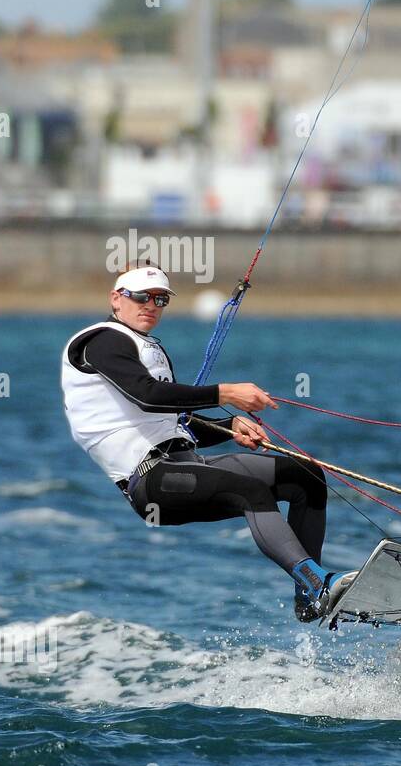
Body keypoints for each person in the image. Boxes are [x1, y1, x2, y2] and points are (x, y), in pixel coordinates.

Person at [60, 263, 354, 621]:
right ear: (115, 299)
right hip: (152, 482)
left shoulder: (144, 346)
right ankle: (316, 581)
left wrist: (230, 426)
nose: (150, 305)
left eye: (160, 299)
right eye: (141, 297)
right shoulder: (102, 340)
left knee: (305, 477)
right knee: (249, 490)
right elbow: (148, 396)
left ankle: (310, 599)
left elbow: (172, 427)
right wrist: (227, 393)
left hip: (185, 465)